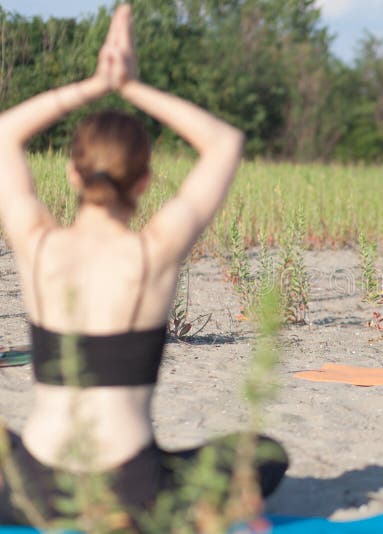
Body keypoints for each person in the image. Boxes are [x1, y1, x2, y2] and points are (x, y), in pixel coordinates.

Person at [0, 5, 287, 527]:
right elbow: (225, 141)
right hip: (129, 495)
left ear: (72, 173)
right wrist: (130, 84)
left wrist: (94, 83)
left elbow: (4, 132)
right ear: (145, 180)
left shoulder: (37, 244)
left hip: (36, 491)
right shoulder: (153, 251)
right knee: (264, 454)